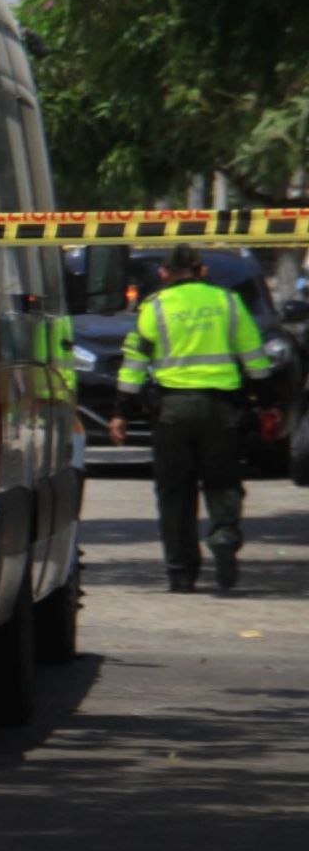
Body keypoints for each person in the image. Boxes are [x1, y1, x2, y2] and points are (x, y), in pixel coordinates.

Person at [109, 245, 274, 592]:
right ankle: (225, 535)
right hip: (222, 409)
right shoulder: (228, 303)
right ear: (202, 271)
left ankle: (181, 572)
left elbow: (134, 364)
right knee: (223, 481)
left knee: (174, 492)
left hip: (172, 411)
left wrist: (121, 412)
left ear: (163, 273)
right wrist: (267, 403)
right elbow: (255, 358)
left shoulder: (154, 307)